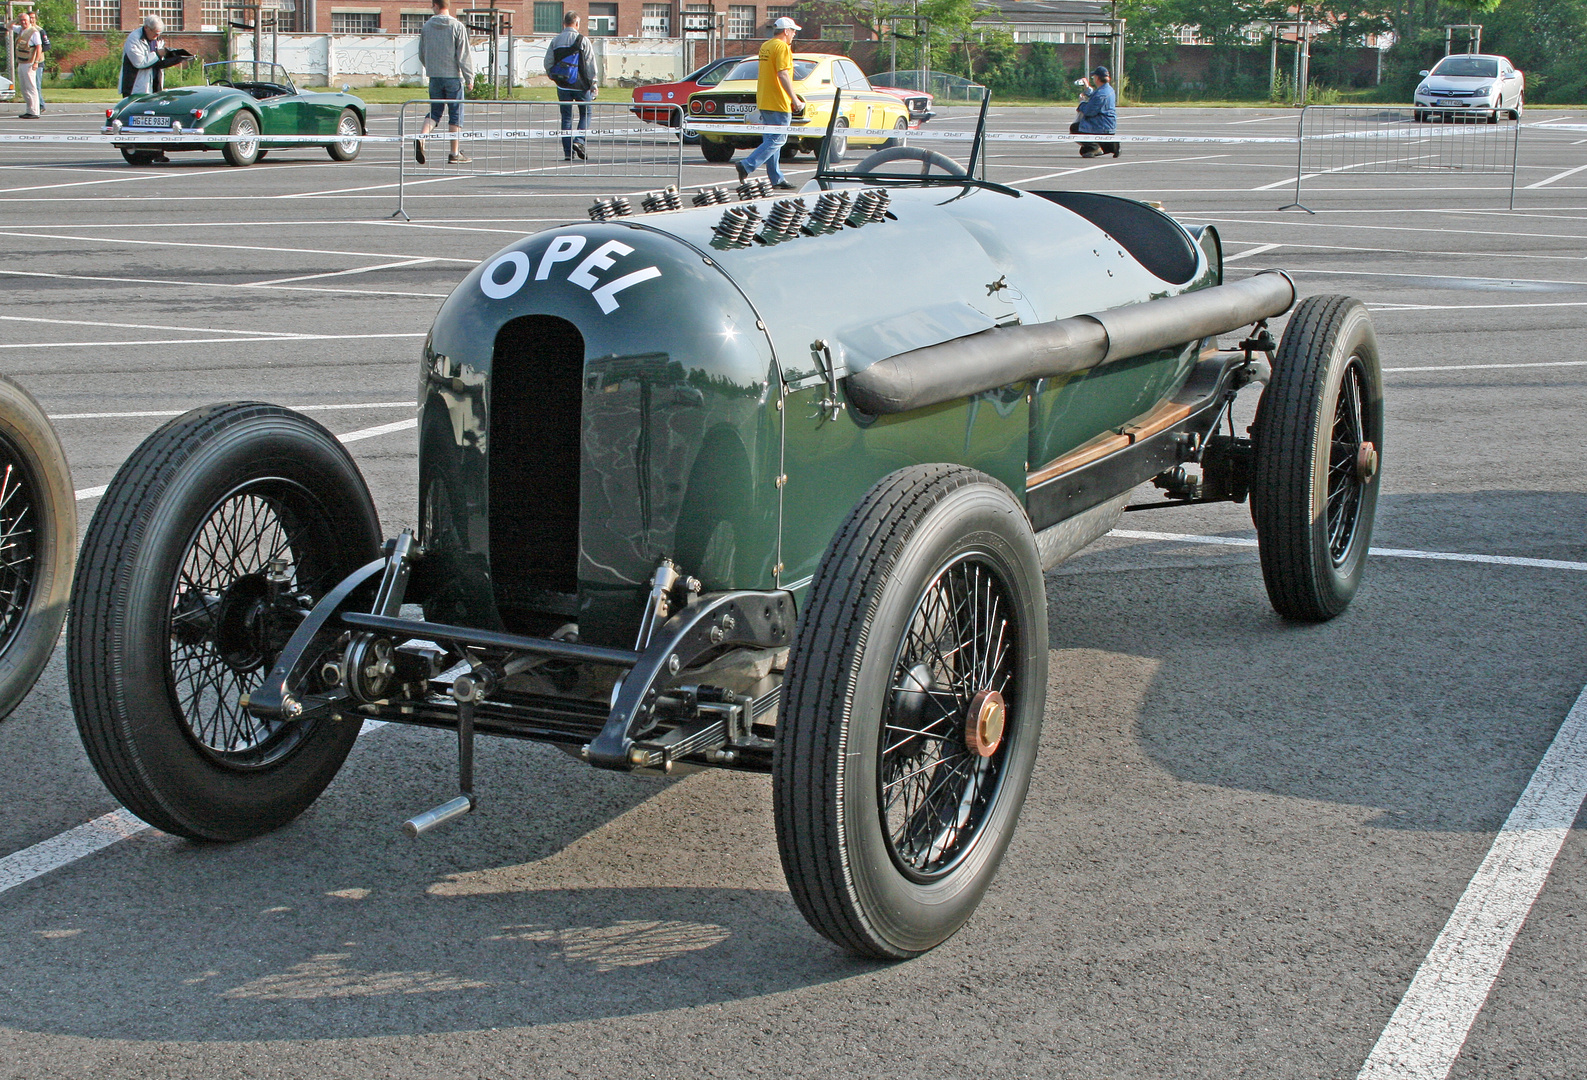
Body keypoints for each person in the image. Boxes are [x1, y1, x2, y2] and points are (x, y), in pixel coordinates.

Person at [733, 16, 803, 190]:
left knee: (771, 139)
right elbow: (783, 74)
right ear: (786, 31)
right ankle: (747, 164)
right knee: (778, 139)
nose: (794, 34)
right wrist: (795, 99)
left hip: (765, 98)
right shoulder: (783, 47)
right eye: (793, 31)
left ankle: (776, 178)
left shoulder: (766, 46)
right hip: (778, 100)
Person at [416, 0, 473, 165]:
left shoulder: (427, 27)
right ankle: (454, 153)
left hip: (434, 77)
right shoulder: (457, 26)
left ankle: (422, 138)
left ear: (435, 5)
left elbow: (421, 53)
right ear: (448, 6)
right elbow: (463, 55)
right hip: (453, 77)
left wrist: (431, 67)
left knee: (435, 113)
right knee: (455, 114)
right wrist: (470, 78)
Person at [544, 11, 596, 161]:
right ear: (577, 23)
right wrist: (593, 83)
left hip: (563, 86)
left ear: (564, 23)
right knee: (586, 114)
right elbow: (590, 63)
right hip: (581, 85)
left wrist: (554, 77)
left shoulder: (556, 40)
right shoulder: (583, 40)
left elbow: (548, 62)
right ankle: (579, 141)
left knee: (566, 118)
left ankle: (568, 152)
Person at [1071, 65, 1118, 159]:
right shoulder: (1107, 89)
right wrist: (1087, 88)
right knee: (1084, 150)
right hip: (1107, 124)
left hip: (1102, 125)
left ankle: (1095, 148)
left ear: (1097, 78)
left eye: (1093, 77)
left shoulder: (1101, 94)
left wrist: (1082, 103)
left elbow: (1089, 111)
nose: (1093, 79)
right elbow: (1094, 97)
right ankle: (1112, 146)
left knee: (1075, 128)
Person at [13, 12, 42, 119]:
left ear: (29, 20)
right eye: (21, 21)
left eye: (25, 20)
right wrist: (16, 19)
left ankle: (35, 111)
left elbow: (39, 48)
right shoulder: (20, 30)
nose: (23, 22)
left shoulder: (34, 32)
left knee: (31, 87)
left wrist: (36, 62)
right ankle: (29, 110)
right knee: (24, 87)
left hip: (29, 63)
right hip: (21, 62)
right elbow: (8, 26)